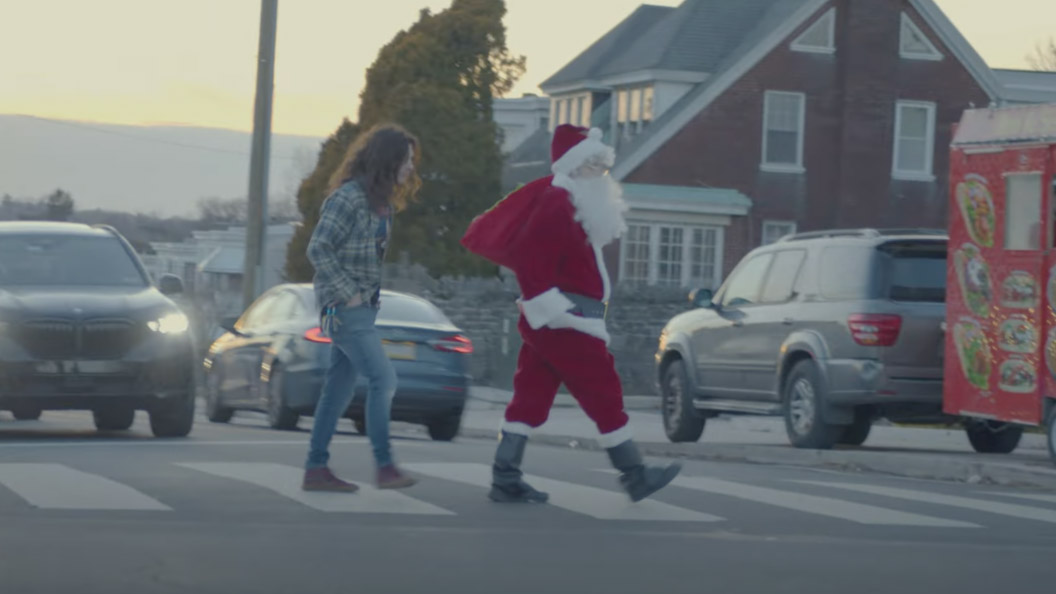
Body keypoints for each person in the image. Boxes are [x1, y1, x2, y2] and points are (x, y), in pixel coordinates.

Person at [460, 124, 682, 503]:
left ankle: (505, 475)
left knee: (532, 393)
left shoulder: (571, 202)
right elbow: (532, 261)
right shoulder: (557, 203)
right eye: (595, 164)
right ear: (576, 165)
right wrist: (554, 310)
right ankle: (634, 474)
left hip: (556, 318)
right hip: (566, 320)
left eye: (602, 164)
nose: (602, 172)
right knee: (603, 391)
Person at [301, 124, 421, 492]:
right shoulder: (349, 198)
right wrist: (349, 292)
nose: (411, 168)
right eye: (407, 160)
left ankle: (315, 468)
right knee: (384, 379)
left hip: (361, 309)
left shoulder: (379, 204)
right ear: (389, 160)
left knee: (337, 389)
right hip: (343, 309)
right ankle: (385, 466)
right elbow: (318, 248)